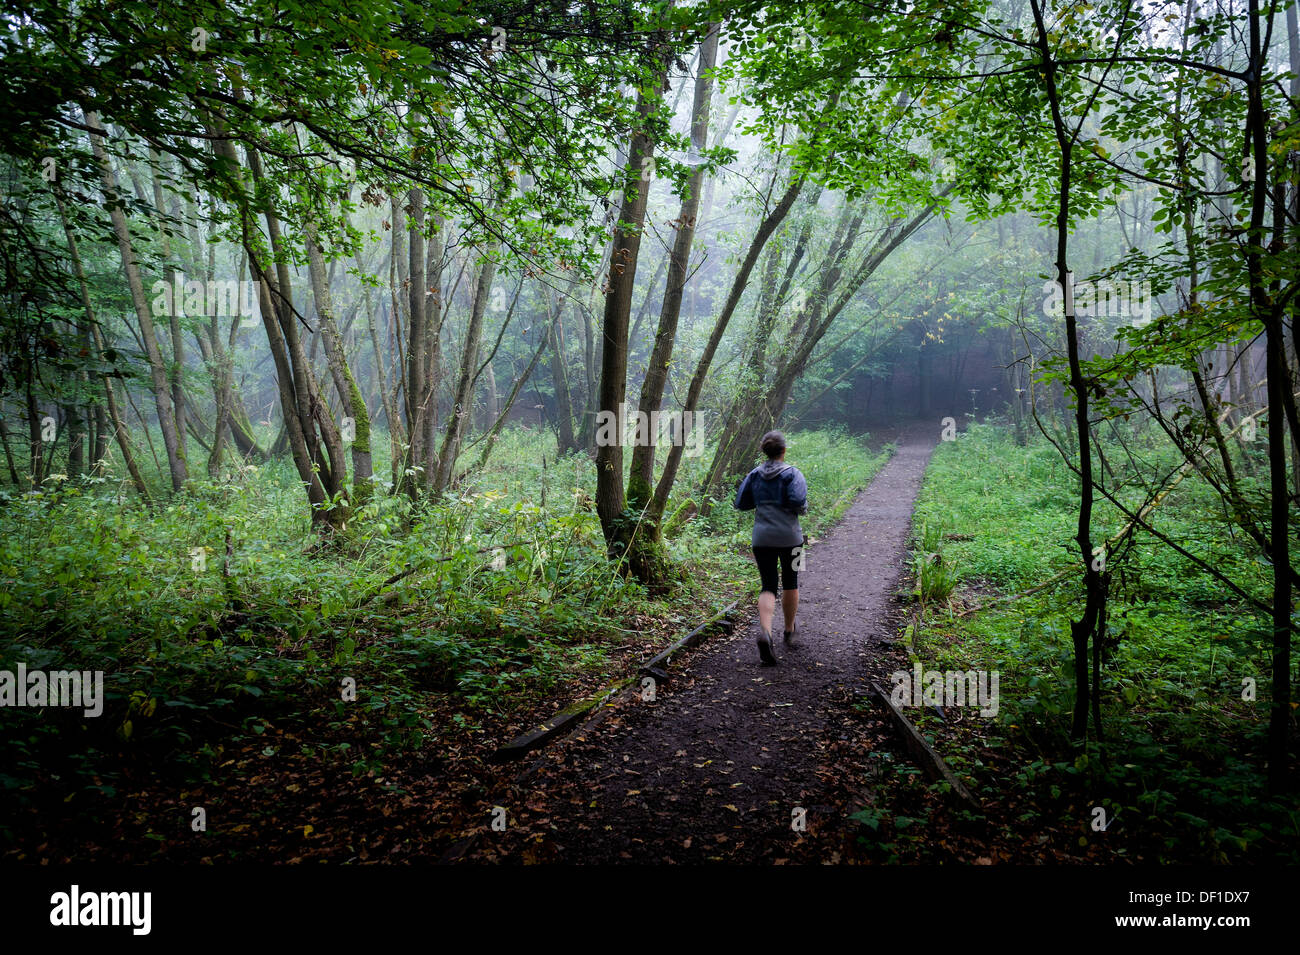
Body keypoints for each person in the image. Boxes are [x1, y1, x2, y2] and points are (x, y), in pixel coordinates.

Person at [733, 430, 807, 666]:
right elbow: (798, 501)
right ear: (784, 451)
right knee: (791, 580)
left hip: (761, 538)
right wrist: (801, 507)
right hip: (792, 537)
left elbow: (741, 503)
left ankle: (766, 631)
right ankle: (789, 631)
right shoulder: (793, 473)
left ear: (764, 451)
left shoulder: (754, 475)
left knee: (768, 584)